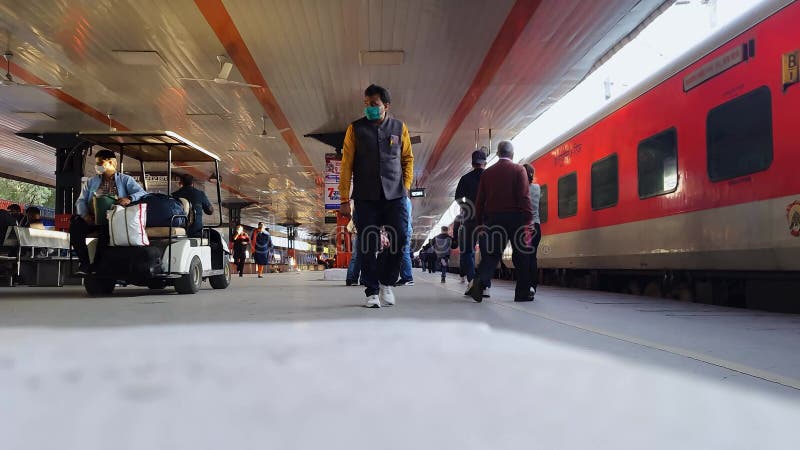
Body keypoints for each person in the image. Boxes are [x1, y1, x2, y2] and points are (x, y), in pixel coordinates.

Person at [338, 84, 414, 308]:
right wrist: (344, 198)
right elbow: (346, 165)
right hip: (366, 196)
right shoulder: (355, 129)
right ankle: (371, 291)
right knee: (368, 244)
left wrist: (406, 186)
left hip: (395, 195)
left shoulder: (400, 127)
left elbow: (407, 158)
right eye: (367, 104)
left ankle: (386, 282)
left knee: (400, 237)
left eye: (375, 104)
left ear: (386, 106)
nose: (369, 108)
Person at [467, 141, 533, 303]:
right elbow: (524, 196)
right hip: (516, 218)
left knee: (491, 255)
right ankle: (522, 293)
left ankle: (479, 283)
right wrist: (528, 218)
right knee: (522, 255)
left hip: (493, 219)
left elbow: (480, 200)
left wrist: (480, 223)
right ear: (512, 154)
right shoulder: (519, 170)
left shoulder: (487, 173)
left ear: (497, 154)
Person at [71, 149, 147, 274]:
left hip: (113, 219)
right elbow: (80, 201)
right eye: (96, 163)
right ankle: (84, 263)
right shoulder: (91, 182)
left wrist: (129, 198)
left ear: (111, 162)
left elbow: (142, 193)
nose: (97, 166)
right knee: (75, 227)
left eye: (100, 163)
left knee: (105, 232)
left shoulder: (125, 180)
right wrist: (84, 215)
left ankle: (97, 265)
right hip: (92, 217)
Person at [455, 149, 487, 286]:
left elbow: (457, 197)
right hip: (486, 219)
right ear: (484, 163)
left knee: (468, 251)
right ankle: (486, 287)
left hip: (470, 219)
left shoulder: (465, 178)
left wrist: (467, 207)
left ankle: (472, 281)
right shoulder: (490, 177)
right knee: (487, 252)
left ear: (473, 163)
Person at [172, 173, 213, 238]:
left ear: (181, 183)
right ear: (192, 183)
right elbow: (210, 211)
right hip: (196, 231)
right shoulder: (200, 194)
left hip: (180, 231)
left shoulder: (174, 195)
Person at [524, 163, 543, 298]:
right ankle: (532, 286)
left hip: (526, 229)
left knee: (525, 258)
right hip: (536, 227)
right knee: (532, 257)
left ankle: (527, 285)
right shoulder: (537, 188)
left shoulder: (521, 190)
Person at [395, 196, 415, 286]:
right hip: (405, 228)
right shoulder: (406, 199)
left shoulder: (402, 199)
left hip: (403, 229)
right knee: (402, 253)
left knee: (404, 253)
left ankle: (407, 278)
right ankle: (406, 277)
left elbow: (401, 216)